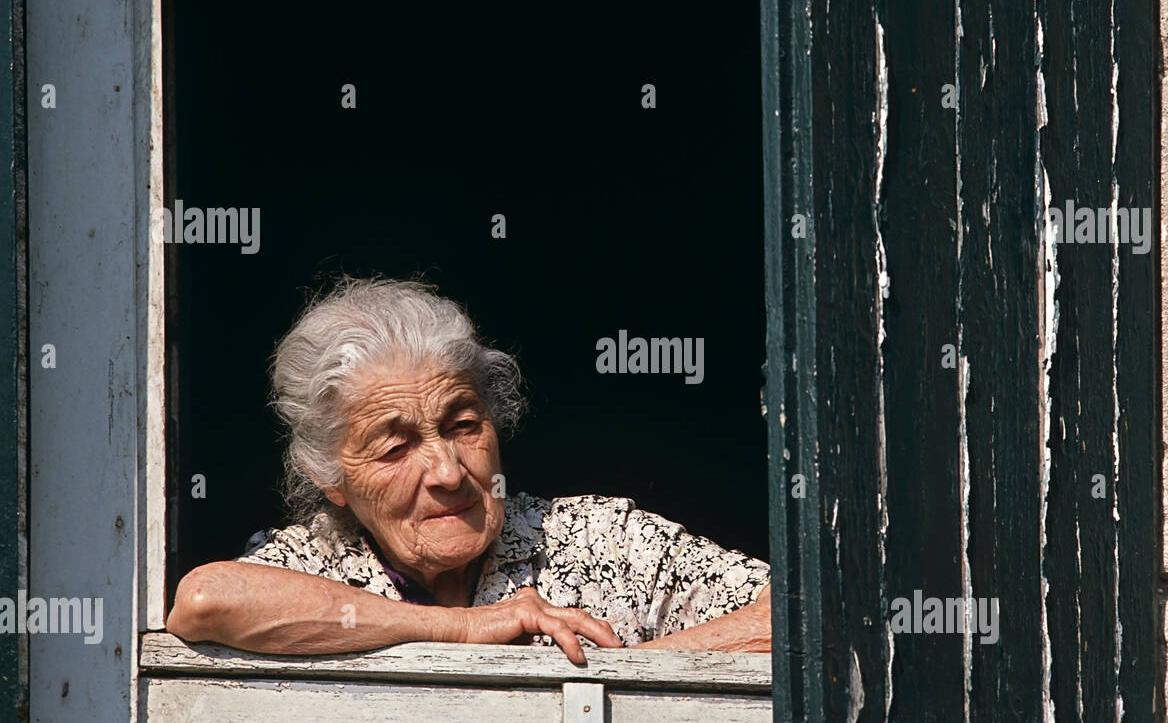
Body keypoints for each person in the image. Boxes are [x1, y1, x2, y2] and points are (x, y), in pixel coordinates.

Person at [166, 277, 772, 665]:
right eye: (395, 446)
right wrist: (461, 628)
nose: (449, 473)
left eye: (463, 426)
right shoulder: (318, 561)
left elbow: (804, 615)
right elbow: (205, 602)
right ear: (333, 479)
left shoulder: (589, 538)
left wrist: (617, 683)